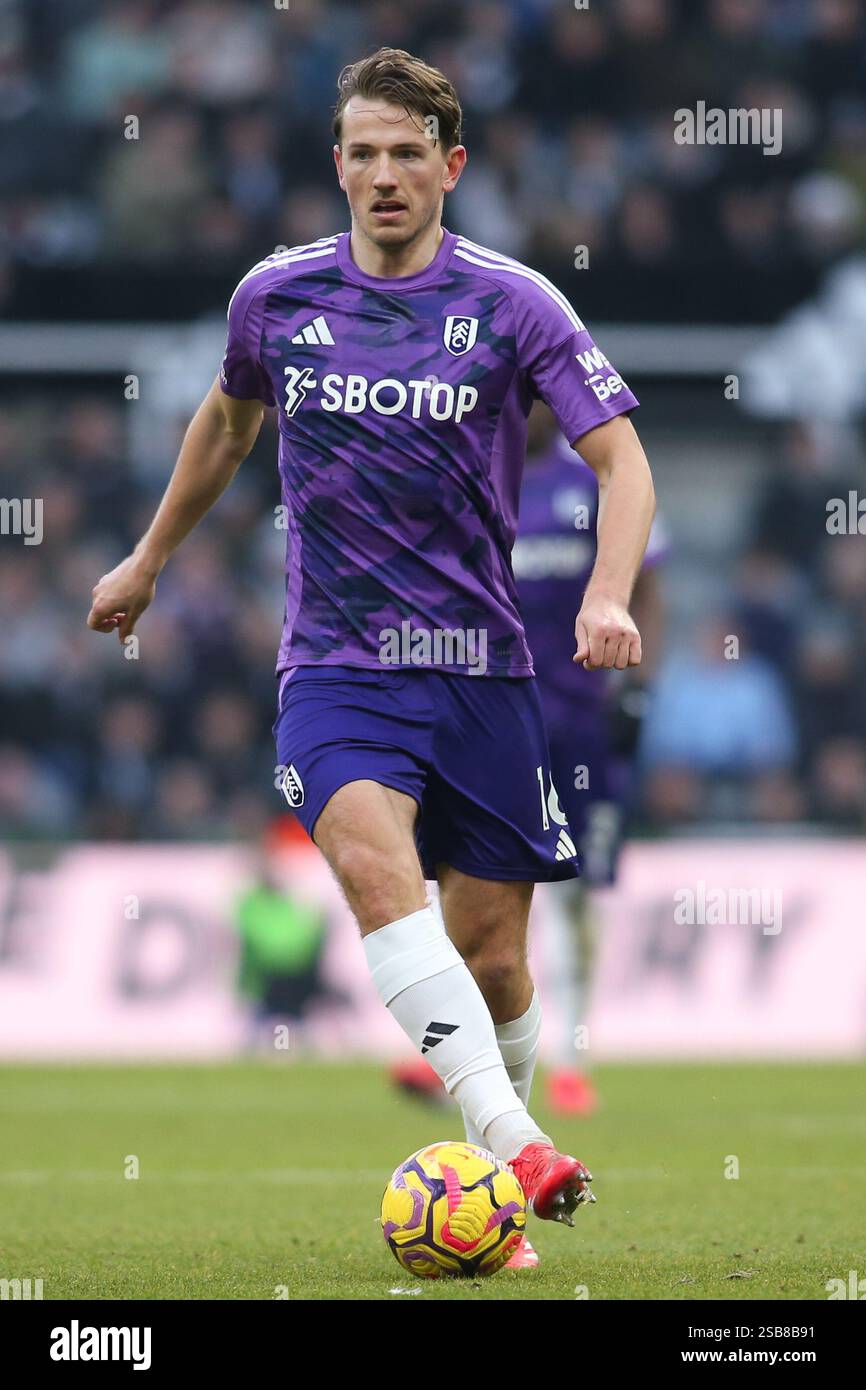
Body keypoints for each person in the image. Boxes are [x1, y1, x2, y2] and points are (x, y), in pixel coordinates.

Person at [87, 48, 655, 1255]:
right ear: (335, 164)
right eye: (362, 153)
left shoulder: (514, 303)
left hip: (481, 667)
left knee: (494, 955)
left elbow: (622, 461)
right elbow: (228, 422)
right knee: (367, 865)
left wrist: (605, 595)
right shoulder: (277, 297)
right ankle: (518, 1144)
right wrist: (148, 559)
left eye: (408, 155)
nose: (384, 176)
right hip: (337, 664)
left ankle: (497, 1187)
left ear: (450, 167)